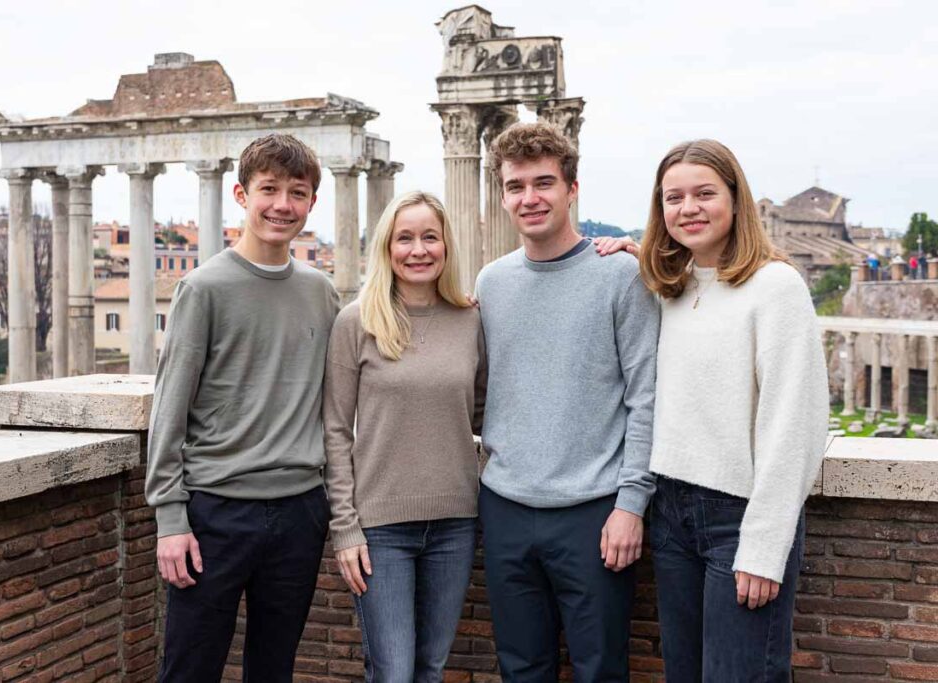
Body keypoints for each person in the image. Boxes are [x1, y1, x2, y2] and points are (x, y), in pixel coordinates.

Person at [598, 139, 828, 681]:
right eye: (673, 198)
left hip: (739, 519)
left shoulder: (775, 287)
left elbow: (793, 423)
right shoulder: (670, 289)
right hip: (671, 513)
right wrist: (636, 254)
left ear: (735, 198)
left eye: (705, 193)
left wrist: (765, 548)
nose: (688, 208)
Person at [145, 134, 339, 682]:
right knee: (190, 668)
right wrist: (169, 519)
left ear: (311, 203)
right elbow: (169, 409)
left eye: (296, 192)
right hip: (215, 513)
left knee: (274, 669)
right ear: (240, 194)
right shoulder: (202, 288)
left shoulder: (321, 293)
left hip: (301, 510)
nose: (282, 204)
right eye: (268, 189)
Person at [475, 122, 660, 682]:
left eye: (544, 182)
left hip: (595, 511)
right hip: (504, 506)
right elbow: (480, 391)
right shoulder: (490, 283)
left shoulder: (620, 275)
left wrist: (631, 505)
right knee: (519, 668)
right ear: (502, 195)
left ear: (572, 189)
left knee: (600, 669)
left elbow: (646, 398)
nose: (529, 198)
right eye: (515, 186)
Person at [323, 191, 487, 681]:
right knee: (393, 672)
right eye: (405, 238)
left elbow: (483, 413)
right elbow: (334, 429)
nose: (419, 250)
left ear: (446, 246)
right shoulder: (357, 322)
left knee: (431, 669)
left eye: (430, 237)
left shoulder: (471, 318)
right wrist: (345, 527)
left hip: (456, 523)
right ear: (387, 248)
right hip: (380, 528)